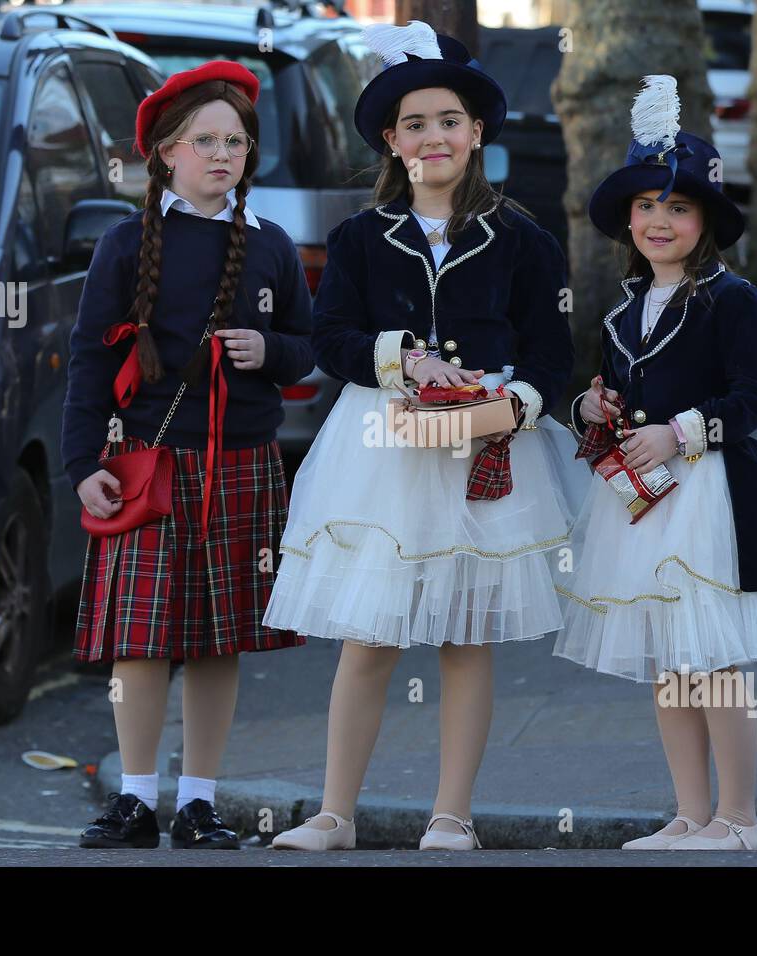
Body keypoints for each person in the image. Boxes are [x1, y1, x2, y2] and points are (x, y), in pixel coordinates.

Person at [263, 21, 584, 851]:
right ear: (391, 141)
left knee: (465, 636)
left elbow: (554, 355)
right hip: (381, 454)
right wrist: (396, 356)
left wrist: (513, 404)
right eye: (415, 124)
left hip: (488, 447)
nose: (433, 136)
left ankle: (452, 814)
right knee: (370, 637)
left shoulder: (525, 240)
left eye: (449, 120)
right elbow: (328, 342)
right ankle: (335, 813)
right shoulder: (360, 239)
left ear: (476, 133)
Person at [552, 75, 757, 851]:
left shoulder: (735, 301)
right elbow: (617, 395)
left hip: (712, 499)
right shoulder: (624, 309)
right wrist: (592, 411)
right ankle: (689, 814)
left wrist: (681, 433)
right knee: (669, 662)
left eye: (677, 206)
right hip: (642, 502)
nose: (657, 221)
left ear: (707, 222)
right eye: (645, 207)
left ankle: (740, 819)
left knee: (715, 662)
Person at [60, 61, 315, 849]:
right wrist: (81, 467)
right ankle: (137, 800)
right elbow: (89, 362)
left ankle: (199, 800)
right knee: (139, 640)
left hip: (241, 467)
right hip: (149, 465)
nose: (222, 154)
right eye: (204, 140)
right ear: (164, 153)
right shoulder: (124, 244)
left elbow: (306, 351)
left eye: (235, 141)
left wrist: (267, 347)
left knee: (216, 640)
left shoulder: (270, 245)